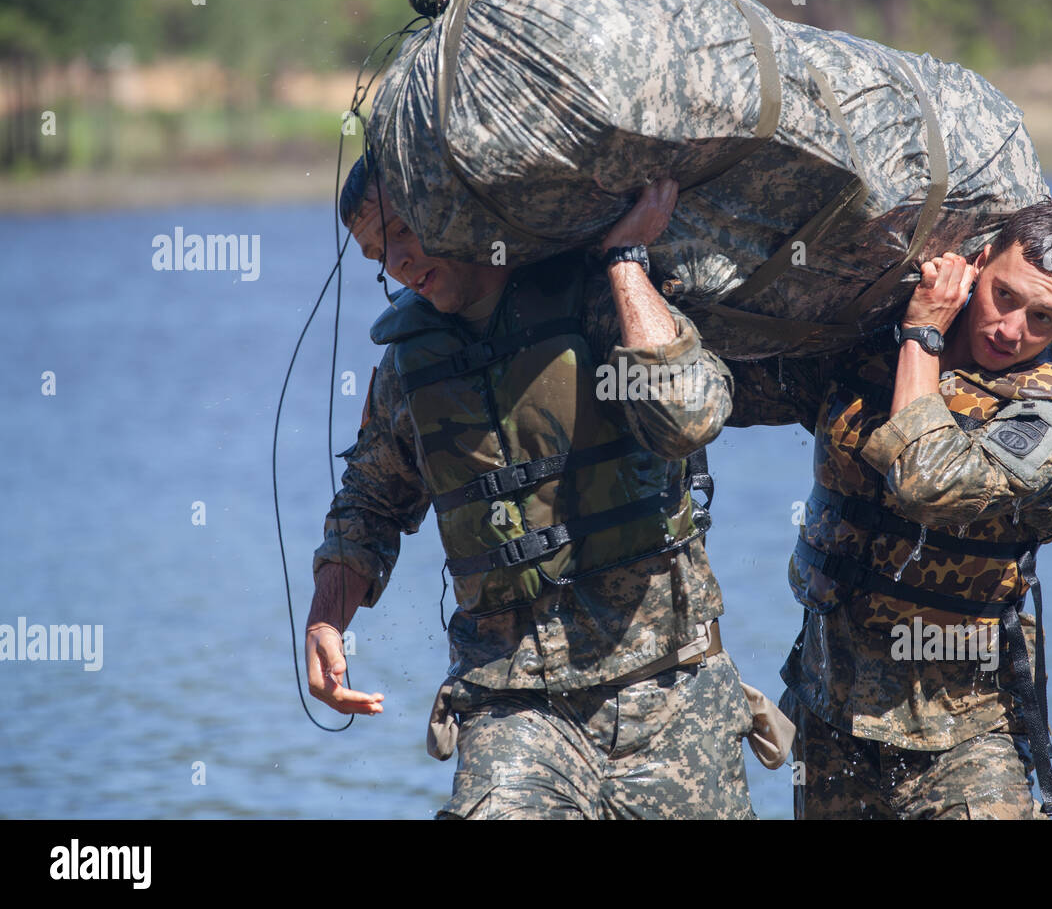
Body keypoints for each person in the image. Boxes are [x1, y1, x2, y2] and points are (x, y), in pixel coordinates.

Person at [302, 154, 787, 819]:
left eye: (402, 232)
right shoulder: (412, 365)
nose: (398, 263)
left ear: (451, 205)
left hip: (667, 688)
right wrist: (328, 615)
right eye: (376, 253)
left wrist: (624, 259)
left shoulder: (594, 297)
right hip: (513, 703)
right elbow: (370, 501)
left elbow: (688, 417)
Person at [728, 199, 1052, 819]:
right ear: (975, 265)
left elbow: (927, 482)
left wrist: (922, 334)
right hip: (831, 712)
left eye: (1044, 316)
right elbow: (732, 390)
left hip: (965, 737)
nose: (1010, 329)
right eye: (1004, 296)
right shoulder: (867, 355)